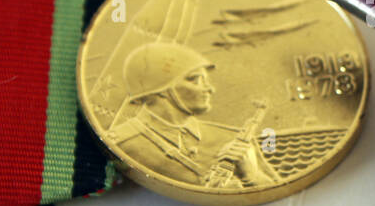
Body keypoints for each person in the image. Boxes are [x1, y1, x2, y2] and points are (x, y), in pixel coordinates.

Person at [108, 42, 277, 188]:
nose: (210, 89)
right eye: (195, 79)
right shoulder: (122, 143)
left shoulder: (232, 138)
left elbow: (276, 192)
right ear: (161, 89)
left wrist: (253, 177)